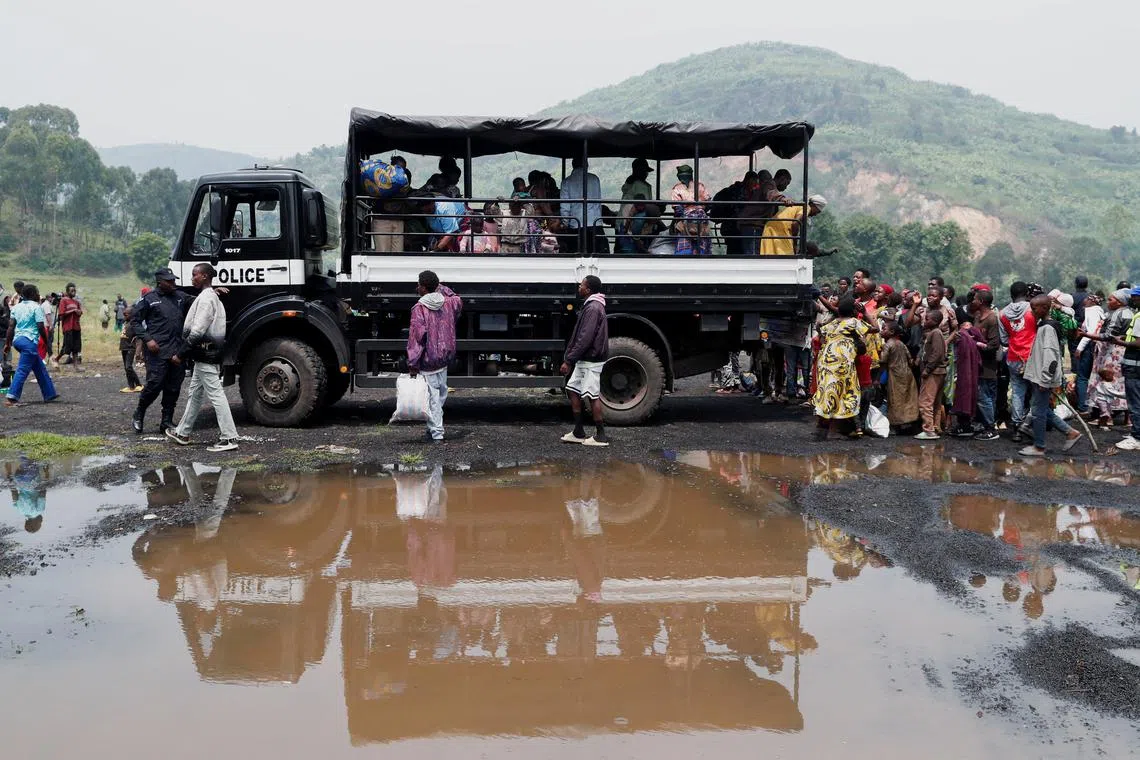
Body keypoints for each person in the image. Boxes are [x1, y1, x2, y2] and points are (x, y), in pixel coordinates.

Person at [165, 263, 240, 452]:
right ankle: (183, 432)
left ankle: (229, 437)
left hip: (205, 352)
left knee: (216, 394)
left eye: (195, 275)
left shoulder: (207, 299)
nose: (192, 278)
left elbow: (198, 330)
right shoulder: (210, 296)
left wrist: (180, 354)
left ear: (205, 276)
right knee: (195, 393)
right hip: (204, 353)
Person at [131, 268, 192, 435]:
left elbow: (198, 301)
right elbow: (135, 321)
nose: (173, 283)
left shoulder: (180, 297)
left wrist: (212, 291)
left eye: (173, 280)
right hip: (157, 351)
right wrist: (147, 339)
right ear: (160, 282)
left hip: (177, 351)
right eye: (169, 281)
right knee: (154, 385)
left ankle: (166, 422)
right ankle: (139, 413)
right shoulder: (149, 299)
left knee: (173, 387)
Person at [1020, 295, 1082, 456]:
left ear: (1045, 308)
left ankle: (1039, 446)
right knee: (1042, 409)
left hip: (1043, 378)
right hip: (1039, 376)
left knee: (1039, 412)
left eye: (1035, 308)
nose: (1032, 311)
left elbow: (1051, 357)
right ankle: (1070, 432)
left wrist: (1045, 379)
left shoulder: (1048, 328)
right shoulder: (1043, 325)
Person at [407, 270, 462, 443]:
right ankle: (432, 429)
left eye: (419, 285)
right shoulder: (449, 303)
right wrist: (439, 287)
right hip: (444, 357)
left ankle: (437, 433)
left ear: (423, 288)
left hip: (428, 360)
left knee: (432, 398)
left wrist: (412, 363)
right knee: (440, 394)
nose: (417, 287)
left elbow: (417, 338)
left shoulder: (419, 308)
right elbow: (456, 297)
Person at [560, 275, 609, 447]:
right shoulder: (591, 306)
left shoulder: (593, 308)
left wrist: (569, 360)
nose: (578, 287)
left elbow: (585, 338)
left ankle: (601, 435)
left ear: (588, 290)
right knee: (573, 390)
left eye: (581, 285)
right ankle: (578, 431)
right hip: (585, 359)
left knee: (592, 396)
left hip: (591, 360)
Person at [812, 298, 867, 439]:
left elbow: (821, 333)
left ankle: (822, 429)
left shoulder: (831, 324)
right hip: (842, 364)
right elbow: (875, 329)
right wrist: (865, 313)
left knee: (827, 392)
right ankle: (833, 431)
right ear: (854, 311)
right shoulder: (854, 322)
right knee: (842, 394)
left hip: (825, 362)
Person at [2, 284, 59, 407]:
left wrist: (8, 344)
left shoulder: (16, 307)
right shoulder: (36, 307)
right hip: (29, 342)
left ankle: (49, 393)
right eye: (37, 292)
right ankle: (12, 397)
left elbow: (11, 327)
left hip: (18, 341)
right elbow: (40, 327)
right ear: (33, 294)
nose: (39, 295)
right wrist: (47, 342)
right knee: (23, 369)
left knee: (39, 367)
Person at [1086, 288, 1133, 428]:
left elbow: (1108, 336)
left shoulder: (1116, 314)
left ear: (1120, 302)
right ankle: (1128, 419)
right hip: (1125, 351)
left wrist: (1086, 335)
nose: (1108, 302)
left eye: (1111, 299)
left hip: (1112, 352)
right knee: (1122, 382)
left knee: (1106, 383)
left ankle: (1107, 417)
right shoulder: (1132, 313)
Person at [1000, 281, 1036, 442]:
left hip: (1014, 356)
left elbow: (1004, 340)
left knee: (1017, 392)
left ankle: (1016, 427)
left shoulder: (1002, 313)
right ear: (1027, 294)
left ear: (1011, 294)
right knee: (1036, 393)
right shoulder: (1033, 309)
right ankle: (1028, 423)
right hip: (1032, 357)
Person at [970, 288, 1002, 440]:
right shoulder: (977, 316)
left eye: (975, 299)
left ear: (981, 302)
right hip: (977, 364)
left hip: (988, 366)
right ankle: (985, 424)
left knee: (985, 397)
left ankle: (991, 428)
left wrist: (977, 344)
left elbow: (994, 344)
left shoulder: (992, 319)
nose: (972, 301)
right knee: (984, 396)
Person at [1111, 287, 1140, 450]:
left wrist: (1120, 342)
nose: (1133, 300)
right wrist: (1126, 338)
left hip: (1135, 366)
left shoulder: (1139, 317)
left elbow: (1138, 342)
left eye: (1136, 298)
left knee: (1135, 402)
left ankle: (1137, 438)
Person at [915, 310, 948, 440]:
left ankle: (928, 430)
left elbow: (937, 353)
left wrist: (927, 369)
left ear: (935, 321)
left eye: (927, 319)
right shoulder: (935, 333)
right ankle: (935, 427)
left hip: (934, 372)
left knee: (925, 401)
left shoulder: (935, 333)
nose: (925, 321)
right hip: (938, 371)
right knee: (935, 402)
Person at [560, 157, 604, 254]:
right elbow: (598, 201)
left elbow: (565, 207)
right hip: (595, 224)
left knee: (577, 256)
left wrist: (565, 224)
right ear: (587, 165)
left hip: (576, 224)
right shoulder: (594, 179)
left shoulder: (567, 182)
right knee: (598, 256)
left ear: (573, 165)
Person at [882, 321, 919, 430]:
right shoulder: (901, 344)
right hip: (907, 374)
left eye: (884, 328)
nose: (881, 330)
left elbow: (883, 360)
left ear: (891, 332)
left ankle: (896, 423)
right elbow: (910, 360)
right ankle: (910, 420)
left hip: (895, 375)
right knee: (908, 399)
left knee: (895, 399)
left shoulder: (888, 344)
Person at [760, 195, 826, 256]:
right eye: (818, 211)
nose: (816, 214)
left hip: (771, 227)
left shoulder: (800, 206)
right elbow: (795, 223)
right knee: (788, 256)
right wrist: (795, 242)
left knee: (772, 254)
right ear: (813, 205)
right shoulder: (806, 208)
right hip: (780, 230)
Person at [670, 165, 711, 256]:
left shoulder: (677, 188)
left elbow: (678, 209)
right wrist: (700, 210)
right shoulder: (700, 186)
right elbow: (709, 203)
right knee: (702, 247)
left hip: (685, 222)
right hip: (702, 221)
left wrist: (674, 222)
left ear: (680, 176)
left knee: (684, 249)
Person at [1075, 293, 1105, 413]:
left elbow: (1091, 331)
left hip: (1089, 346)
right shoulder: (1100, 311)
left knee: (1082, 377)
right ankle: (1097, 407)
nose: (1085, 300)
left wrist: (1079, 348)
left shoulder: (1091, 311)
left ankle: (1083, 406)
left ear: (1092, 302)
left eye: (1087, 298)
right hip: (1097, 346)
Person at [53, 282, 83, 368]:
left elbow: (80, 312)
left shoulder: (76, 302)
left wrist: (79, 312)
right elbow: (61, 314)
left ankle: (76, 366)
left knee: (76, 346)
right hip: (68, 327)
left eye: (74, 290)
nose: (74, 292)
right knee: (67, 346)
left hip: (76, 326)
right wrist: (73, 311)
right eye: (72, 290)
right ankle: (56, 359)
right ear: (67, 291)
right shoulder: (63, 300)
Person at [118, 305, 143, 393]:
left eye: (126, 314)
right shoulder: (125, 323)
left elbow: (139, 339)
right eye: (124, 314)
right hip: (124, 348)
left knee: (128, 367)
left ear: (132, 315)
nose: (124, 316)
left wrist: (138, 352)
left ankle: (139, 384)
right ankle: (131, 386)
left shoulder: (134, 324)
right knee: (126, 368)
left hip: (130, 348)